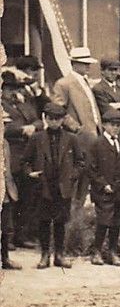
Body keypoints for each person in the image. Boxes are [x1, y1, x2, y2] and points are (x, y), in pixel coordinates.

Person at [23, 101, 82, 268]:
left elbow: (80, 162)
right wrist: (30, 173)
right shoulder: (36, 138)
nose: (54, 122)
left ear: (63, 119)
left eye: (58, 119)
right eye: (51, 118)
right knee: (43, 221)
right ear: (45, 118)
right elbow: (25, 161)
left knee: (60, 222)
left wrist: (72, 176)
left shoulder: (71, 139)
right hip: (43, 186)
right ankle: (44, 255)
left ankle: (59, 255)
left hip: (62, 186)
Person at [84, 105, 120, 266]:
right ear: (105, 125)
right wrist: (102, 184)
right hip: (104, 190)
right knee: (104, 221)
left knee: (117, 222)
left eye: (118, 125)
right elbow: (91, 168)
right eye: (112, 125)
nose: (115, 128)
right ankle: (96, 251)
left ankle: (113, 252)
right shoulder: (97, 144)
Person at [3, 69, 42, 264]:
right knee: (10, 199)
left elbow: (37, 119)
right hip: (10, 155)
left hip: (26, 156)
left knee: (28, 197)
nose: (12, 92)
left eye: (14, 88)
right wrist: (21, 129)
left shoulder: (23, 105)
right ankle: (7, 239)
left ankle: (22, 235)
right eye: (8, 89)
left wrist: (33, 127)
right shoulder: (2, 106)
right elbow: (6, 128)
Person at [53, 47, 101, 134]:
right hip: (77, 135)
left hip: (95, 131)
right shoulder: (63, 84)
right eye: (84, 63)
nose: (88, 66)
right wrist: (76, 127)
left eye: (89, 63)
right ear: (74, 63)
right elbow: (58, 110)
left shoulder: (85, 82)